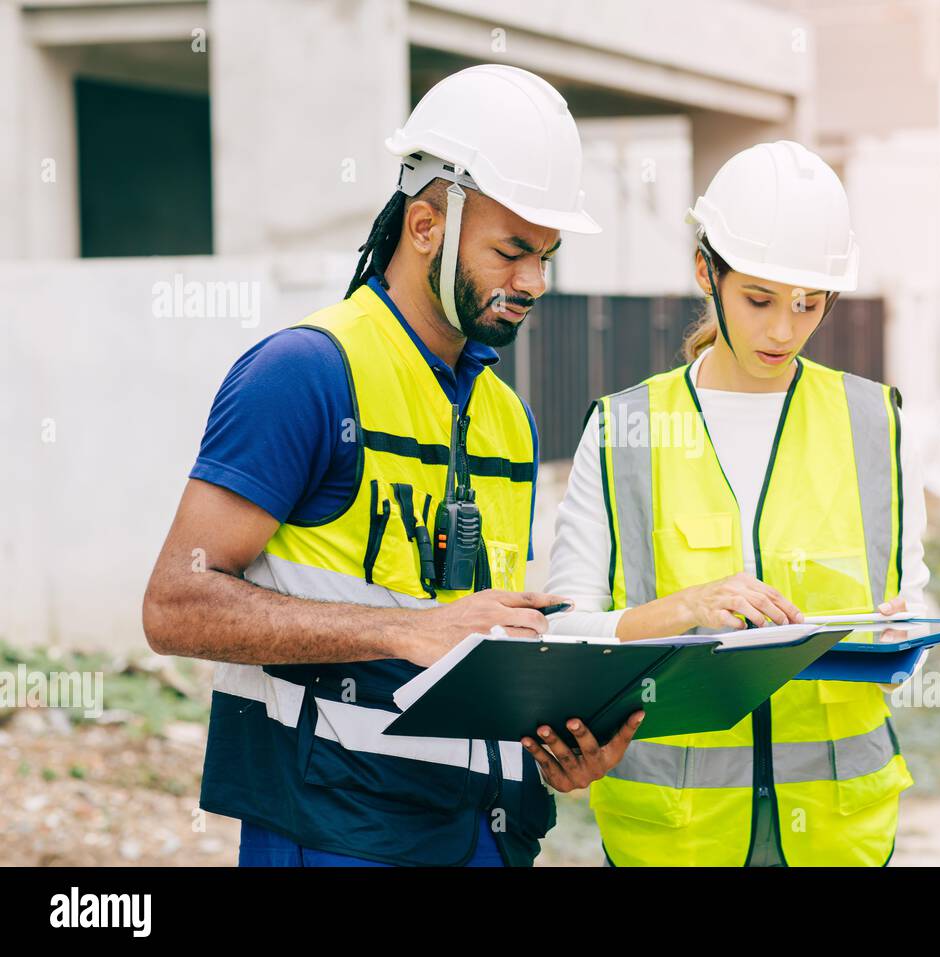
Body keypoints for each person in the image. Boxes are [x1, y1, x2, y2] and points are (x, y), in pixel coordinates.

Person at [142, 64, 642, 868]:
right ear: (424, 226)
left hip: (489, 835)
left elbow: (477, 646)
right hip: (332, 835)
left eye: (547, 255)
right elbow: (174, 605)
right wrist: (406, 633)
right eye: (512, 251)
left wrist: (554, 743)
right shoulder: (303, 373)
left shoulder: (508, 420)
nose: (534, 282)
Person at [545, 140, 931, 866]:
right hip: (674, 834)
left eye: (808, 304)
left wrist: (902, 637)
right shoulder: (626, 427)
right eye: (758, 299)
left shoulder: (874, 422)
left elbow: (908, 607)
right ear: (705, 271)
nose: (783, 329)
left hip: (838, 832)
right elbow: (566, 637)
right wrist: (681, 611)